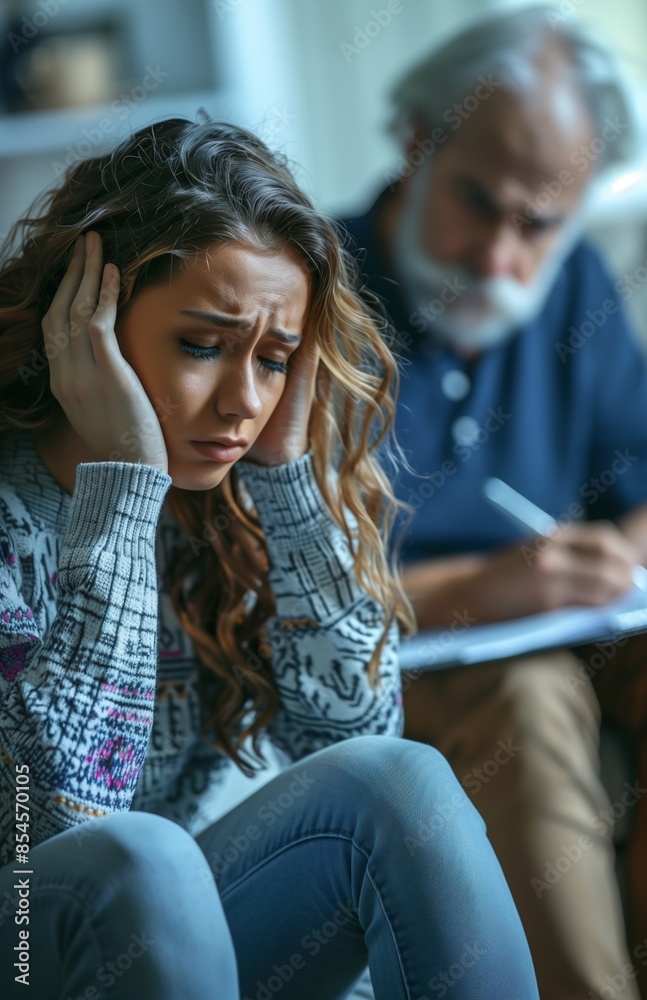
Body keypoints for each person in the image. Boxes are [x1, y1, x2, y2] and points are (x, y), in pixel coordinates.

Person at [0, 116, 539, 999]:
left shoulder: (237, 496)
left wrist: (287, 480)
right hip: (24, 938)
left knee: (398, 780)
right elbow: (58, 819)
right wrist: (124, 491)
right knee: (138, 853)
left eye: (275, 359)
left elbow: (359, 743)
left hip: (181, 944)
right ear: (86, 323)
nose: (243, 402)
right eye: (202, 346)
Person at [341, 6, 647, 1000]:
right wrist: (484, 585)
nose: (498, 259)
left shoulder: (575, 292)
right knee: (527, 698)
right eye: (479, 203)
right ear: (415, 139)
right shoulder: (305, 296)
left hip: (569, 621)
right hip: (423, 657)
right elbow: (272, 593)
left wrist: (622, 553)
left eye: (539, 224)